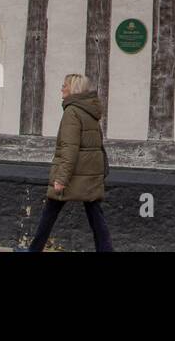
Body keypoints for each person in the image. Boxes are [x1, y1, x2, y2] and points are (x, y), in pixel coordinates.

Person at [19, 73, 114, 252]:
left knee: (50, 212)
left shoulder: (72, 112)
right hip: (88, 174)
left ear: (73, 89)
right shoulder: (90, 112)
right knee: (95, 214)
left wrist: (61, 179)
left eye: (65, 85)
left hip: (73, 176)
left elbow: (69, 148)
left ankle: (34, 250)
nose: (61, 88)